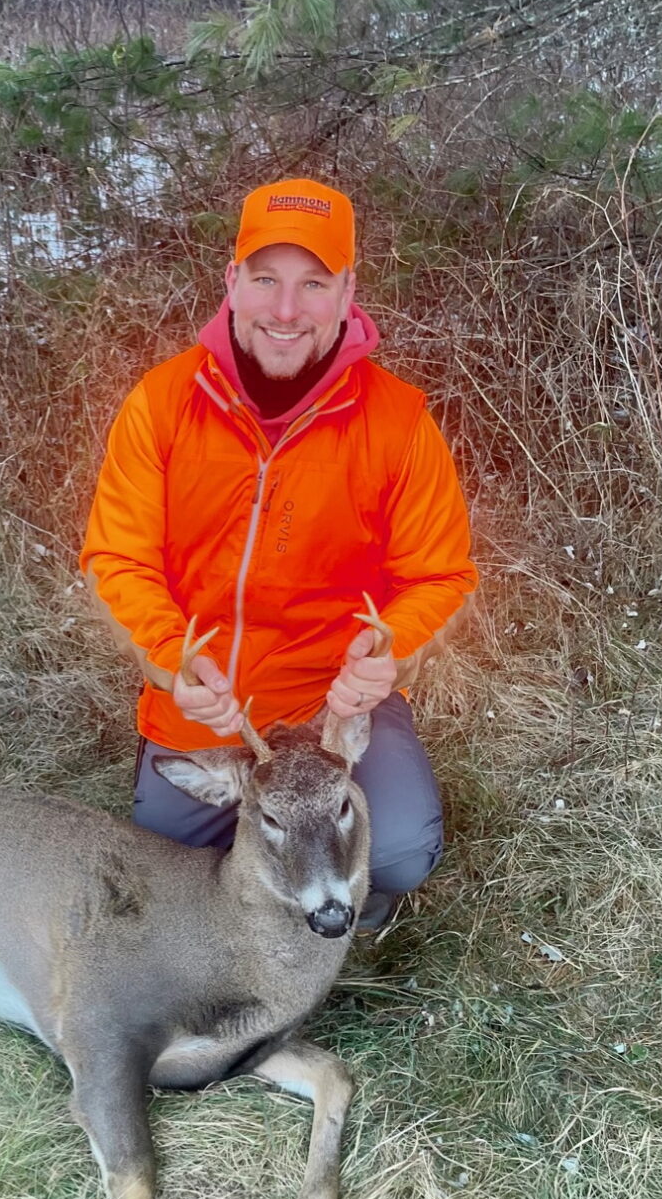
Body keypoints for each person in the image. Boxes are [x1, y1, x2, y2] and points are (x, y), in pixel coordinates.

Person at [79, 177, 478, 930]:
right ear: (232, 282)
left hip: (334, 710)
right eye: (266, 280)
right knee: (165, 870)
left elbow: (440, 574)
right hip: (210, 710)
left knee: (396, 853)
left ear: (347, 292)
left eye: (313, 284)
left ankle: (350, 908)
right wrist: (169, 661)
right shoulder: (161, 404)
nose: (286, 310)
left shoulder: (397, 422)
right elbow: (117, 561)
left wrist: (392, 652)